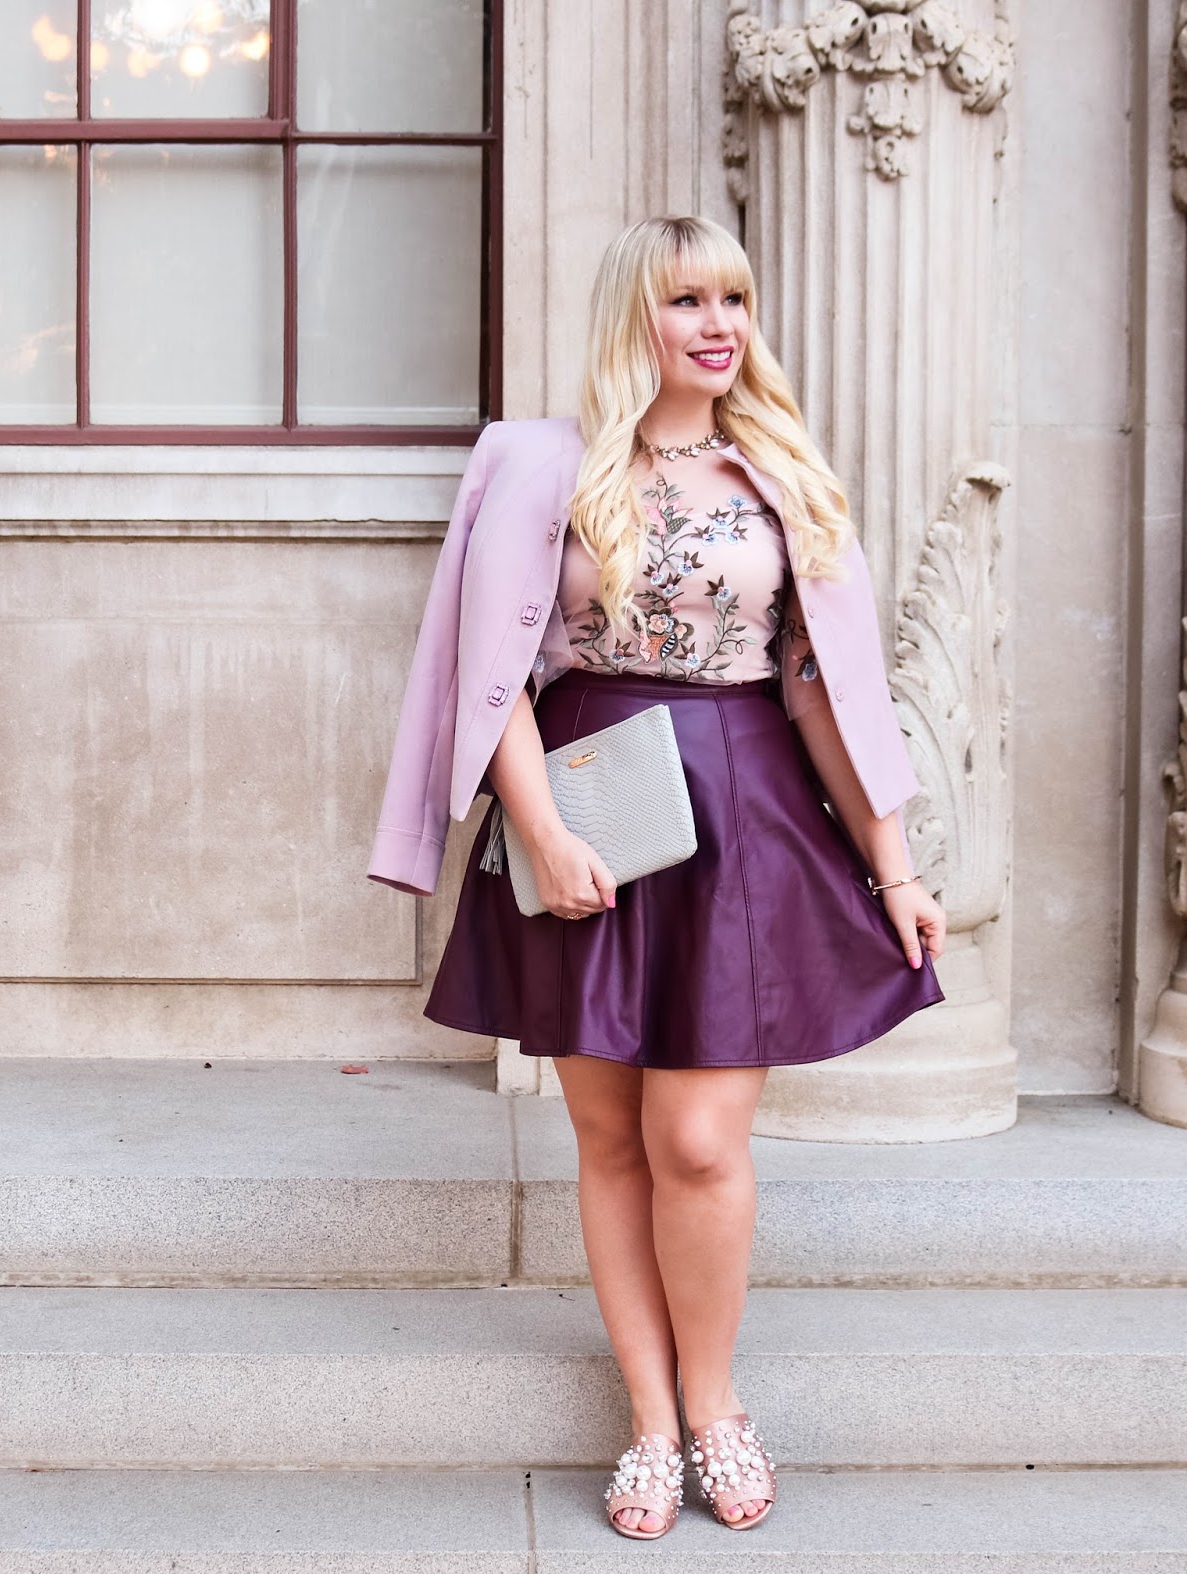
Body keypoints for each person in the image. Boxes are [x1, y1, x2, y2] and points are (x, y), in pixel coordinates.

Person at [368, 214, 946, 1540]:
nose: (716, 323)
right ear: (638, 313)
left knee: (698, 1137)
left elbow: (822, 694)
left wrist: (895, 864)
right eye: (686, 298)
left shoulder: (777, 474)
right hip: (585, 799)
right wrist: (541, 831)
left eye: (733, 296)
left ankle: (715, 1403)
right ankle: (647, 1418)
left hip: (741, 808)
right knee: (611, 1135)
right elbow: (494, 666)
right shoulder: (543, 464)